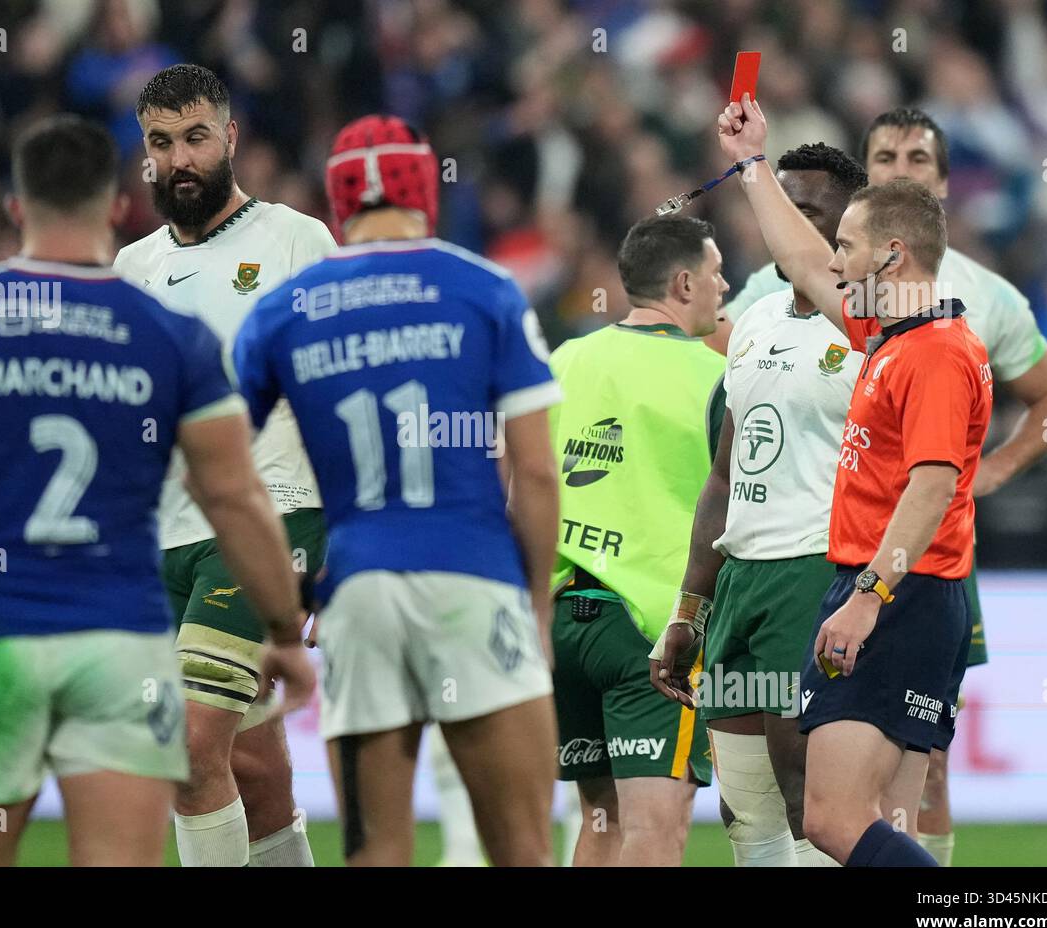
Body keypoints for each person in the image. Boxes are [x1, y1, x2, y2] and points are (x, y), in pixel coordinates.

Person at [0, 115, 311, 866]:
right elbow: (235, 496)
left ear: (18, 208)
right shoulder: (169, 335)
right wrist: (285, 629)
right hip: (119, 646)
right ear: (118, 208)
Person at [722, 107, 1047, 864]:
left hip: (899, 597)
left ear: (891, 257)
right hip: (904, 595)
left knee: (829, 819)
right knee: (890, 819)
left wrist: (865, 599)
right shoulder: (893, 332)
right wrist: (752, 163)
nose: (836, 262)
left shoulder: (935, 357)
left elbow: (932, 486)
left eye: (848, 247)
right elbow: (805, 262)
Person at [235, 115, 560, 866]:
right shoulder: (487, 290)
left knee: (375, 853)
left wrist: (283, 618)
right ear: (426, 192)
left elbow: (223, 476)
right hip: (473, 578)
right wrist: (536, 603)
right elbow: (537, 471)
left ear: (339, 201)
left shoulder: (285, 309)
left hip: (359, 589)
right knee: (523, 851)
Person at [114, 64, 335, 868]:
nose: (180, 160)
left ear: (231, 137)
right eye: (161, 143)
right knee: (255, 770)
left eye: (196, 137)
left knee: (186, 748)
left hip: (272, 516)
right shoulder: (133, 269)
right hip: (167, 538)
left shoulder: (295, 242)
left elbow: (337, 396)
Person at [654, 143, 866, 868]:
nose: (785, 222)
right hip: (742, 580)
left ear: (848, 227)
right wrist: (689, 609)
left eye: (808, 210)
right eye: (784, 203)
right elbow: (722, 480)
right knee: (746, 814)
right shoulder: (755, 324)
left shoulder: (867, 329)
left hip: (816, 575)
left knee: (811, 803)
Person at [549, 214, 724, 866]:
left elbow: (519, 490)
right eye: (715, 273)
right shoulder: (714, 379)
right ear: (683, 283)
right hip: (654, 634)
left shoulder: (564, 361)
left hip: (563, 617)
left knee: (601, 821)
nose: (724, 286)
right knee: (656, 831)